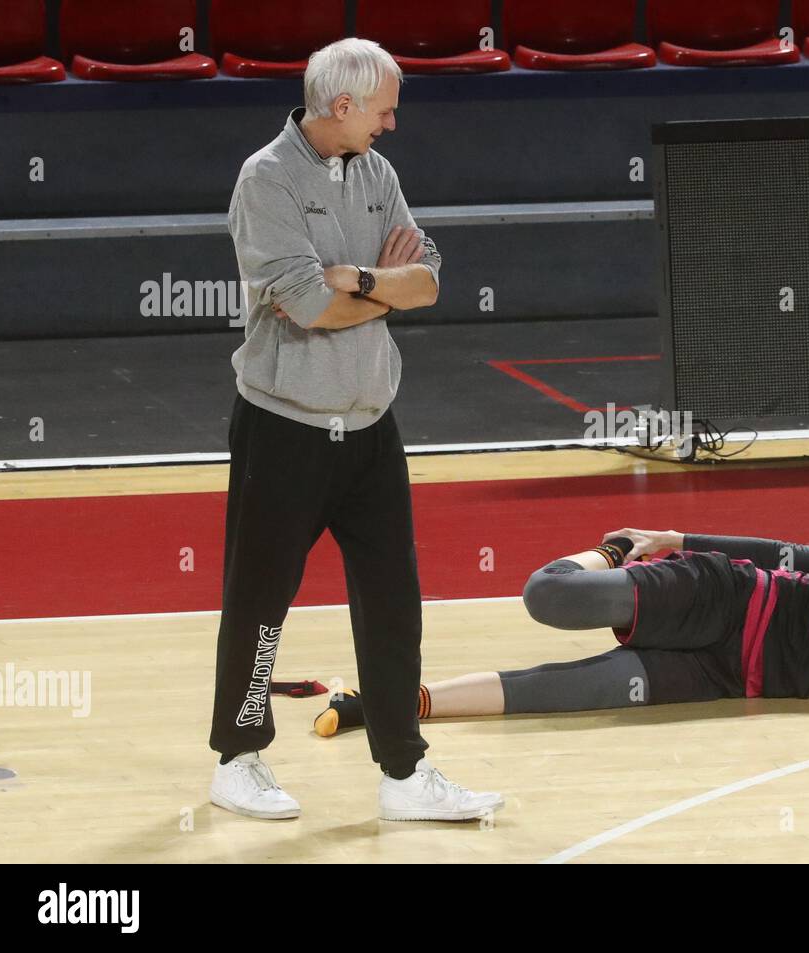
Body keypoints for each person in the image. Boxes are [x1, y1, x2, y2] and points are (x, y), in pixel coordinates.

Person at [209, 37, 501, 822]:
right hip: (284, 429)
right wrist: (377, 291)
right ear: (343, 106)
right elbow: (312, 307)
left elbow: (429, 277)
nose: (392, 123)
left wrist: (363, 278)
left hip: (372, 426)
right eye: (384, 109)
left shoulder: (377, 173)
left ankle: (405, 773)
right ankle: (237, 757)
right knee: (261, 601)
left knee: (393, 598)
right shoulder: (265, 181)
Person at [314, 528, 809, 732]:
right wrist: (680, 535)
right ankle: (604, 553)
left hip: (721, 677)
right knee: (549, 595)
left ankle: (395, 703)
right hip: (723, 598)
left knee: (577, 695)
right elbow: (788, 553)